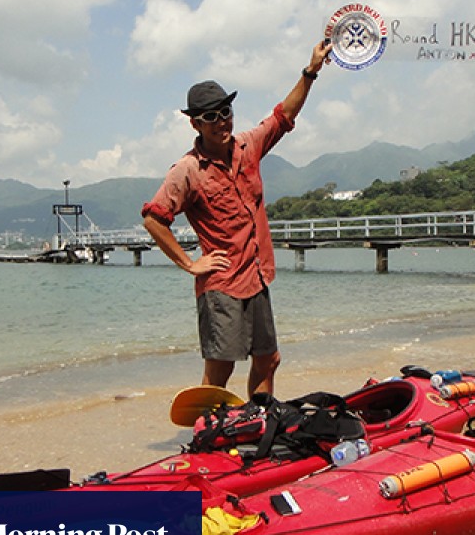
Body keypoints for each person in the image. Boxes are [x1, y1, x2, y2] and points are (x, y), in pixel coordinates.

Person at [141, 39, 333, 399]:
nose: (221, 122)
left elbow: (283, 116)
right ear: (195, 124)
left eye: (225, 112)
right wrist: (189, 263)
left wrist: (311, 71)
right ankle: (207, 435)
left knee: (268, 359)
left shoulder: (248, 146)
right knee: (221, 368)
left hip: (257, 276)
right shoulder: (187, 171)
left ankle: (259, 419)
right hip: (223, 284)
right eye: (210, 117)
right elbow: (154, 219)